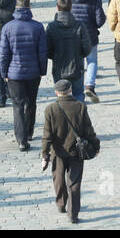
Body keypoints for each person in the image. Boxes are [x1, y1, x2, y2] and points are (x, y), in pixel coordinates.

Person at [41, 79, 99, 223]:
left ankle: (61, 204)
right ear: (70, 90)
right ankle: (73, 214)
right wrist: (96, 145)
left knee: (58, 179)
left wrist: (44, 154)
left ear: (56, 92)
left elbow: (47, 134)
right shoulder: (80, 107)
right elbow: (89, 130)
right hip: (76, 152)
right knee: (74, 183)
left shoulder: (50, 109)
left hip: (58, 153)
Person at [0, 0, 48, 149]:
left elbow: (3, 54)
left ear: (16, 8)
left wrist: (4, 73)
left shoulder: (8, 27)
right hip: (33, 72)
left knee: (18, 105)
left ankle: (21, 139)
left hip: (14, 74)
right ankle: (29, 132)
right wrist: (42, 70)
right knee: (31, 102)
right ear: (29, 7)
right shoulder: (38, 27)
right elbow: (42, 52)